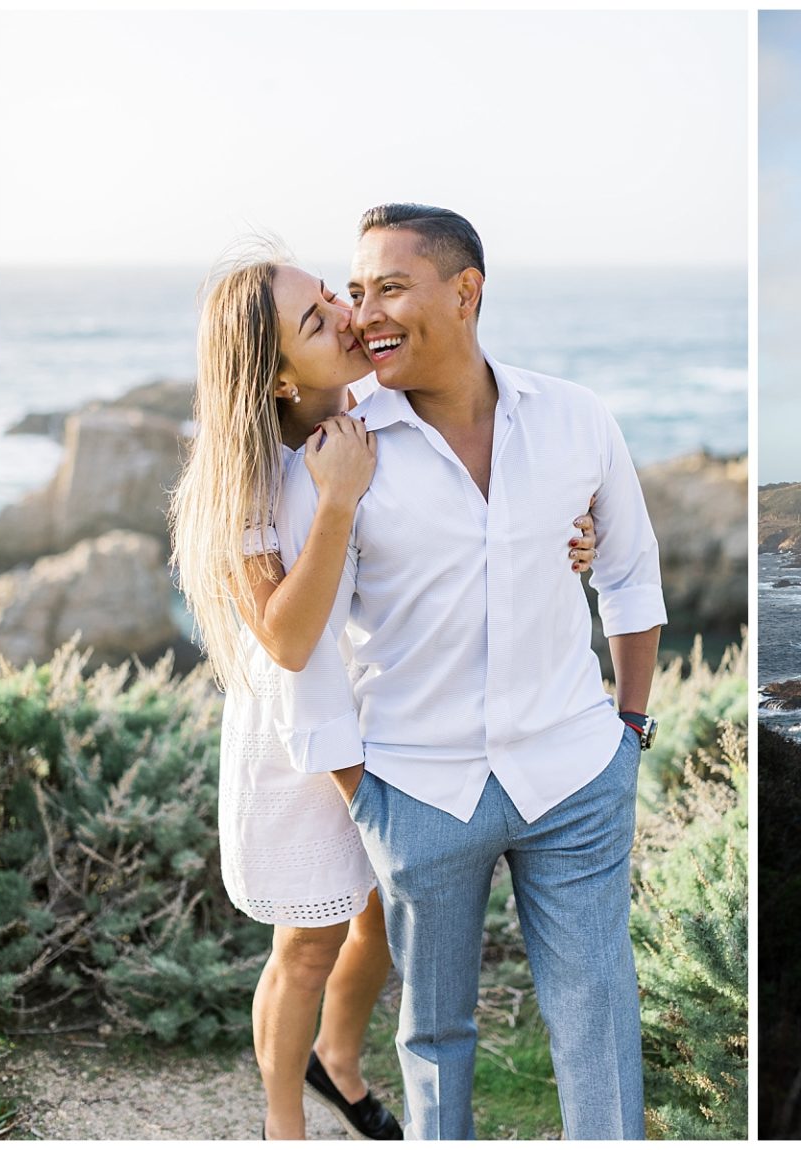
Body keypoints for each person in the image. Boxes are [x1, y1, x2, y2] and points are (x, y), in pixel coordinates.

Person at [169, 251, 599, 1140]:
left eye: (333, 293)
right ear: (281, 376)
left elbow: (465, 518)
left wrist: (566, 533)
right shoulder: (247, 478)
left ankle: (338, 1061)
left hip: (387, 711)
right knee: (309, 942)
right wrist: (334, 503)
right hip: (296, 736)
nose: (347, 313)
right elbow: (287, 641)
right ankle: (282, 1123)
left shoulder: (382, 409)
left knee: (378, 925)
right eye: (318, 320)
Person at [272, 203, 665, 1140]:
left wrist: (630, 730)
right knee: (435, 1036)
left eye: (391, 289)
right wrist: (362, 790)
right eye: (356, 294)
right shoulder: (337, 455)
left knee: (598, 1022)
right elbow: (309, 649)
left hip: (576, 774)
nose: (367, 314)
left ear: (466, 292)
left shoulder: (575, 418)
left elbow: (629, 570)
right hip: (417, 791)